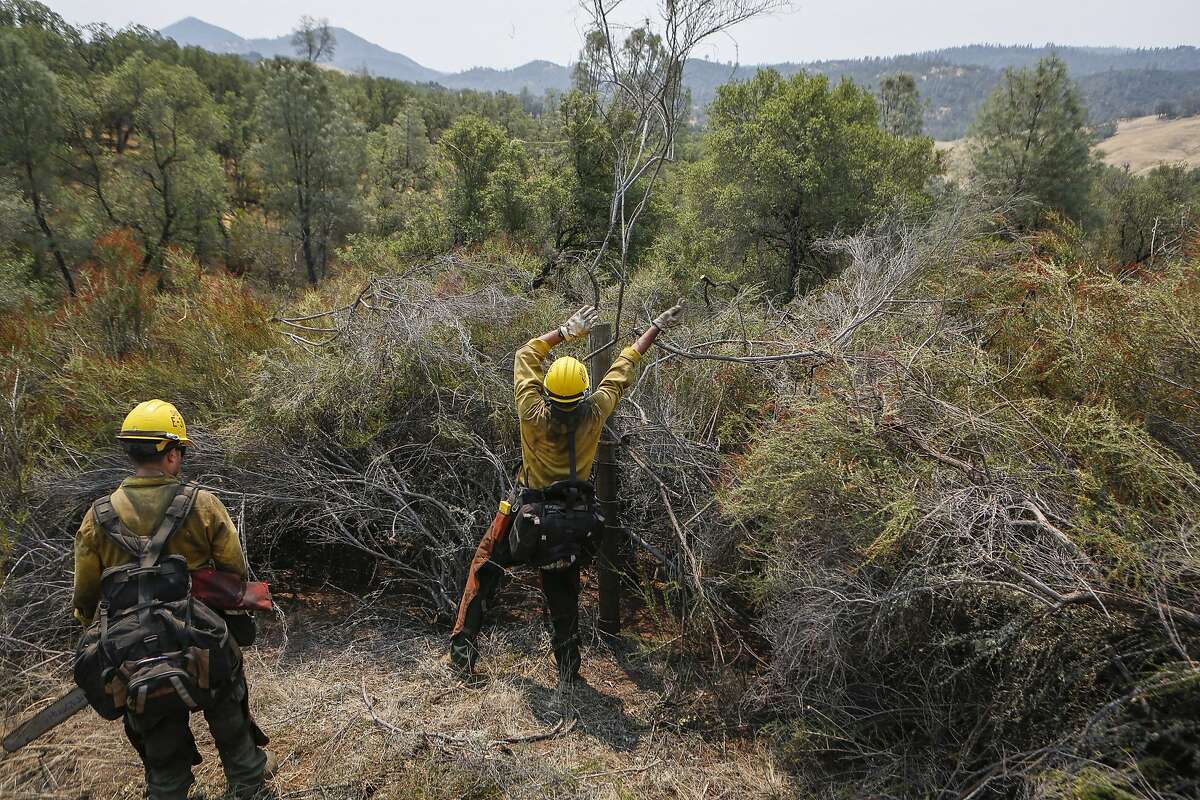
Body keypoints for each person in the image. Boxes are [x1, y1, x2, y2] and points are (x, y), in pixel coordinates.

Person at [450, 300, 686, 685]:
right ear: (583, 391)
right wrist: (655, 328)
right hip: (570, 522)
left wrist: (566, 331)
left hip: (524, 514)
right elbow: (622, 369)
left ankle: (463, 658)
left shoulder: (532, 411)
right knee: (564, 599)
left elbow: (526, 353)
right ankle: (569, 675)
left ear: (546, 389)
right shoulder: (594, 412)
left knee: (484, 568)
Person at [72, 400, 274, 800]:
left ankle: (169, 789)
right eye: (180, 449)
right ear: (170, 453)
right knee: (229, 711)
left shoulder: (97, 517)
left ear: (131, 452)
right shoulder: (201, 503)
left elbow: (85, 598)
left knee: (160, 747)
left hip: (137, 654)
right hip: (202, 640)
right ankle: (248, 783)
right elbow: (234, 570)